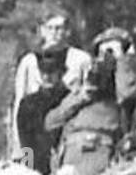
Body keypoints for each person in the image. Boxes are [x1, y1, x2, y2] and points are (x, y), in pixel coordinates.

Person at [10, 10, 92, 152]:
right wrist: (19, 148)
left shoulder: (81, 59)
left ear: (67, 31)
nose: (54, 33)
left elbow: (89, 93)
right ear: (42, 30)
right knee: (31, 165)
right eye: (50, 28)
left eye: (59, 28)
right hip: (34, 125)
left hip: (68, 125)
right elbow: (19, 100)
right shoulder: (30, 61)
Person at [45, 54, 123, 175]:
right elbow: (50, 122)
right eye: (91, 76)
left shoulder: (116, 106)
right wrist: (80, 98)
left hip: (101, 160)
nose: (94, 82)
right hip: (71, 160)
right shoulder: (75, 99)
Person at [15, 45, 69, 175]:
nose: (46, 77)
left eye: (52, 73)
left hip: (65, 167)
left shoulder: (70, 100)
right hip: (38, 167)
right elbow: (26, 144)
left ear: (61, 73)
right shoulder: (28, 104)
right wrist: (29, 171)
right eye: (43, 72)